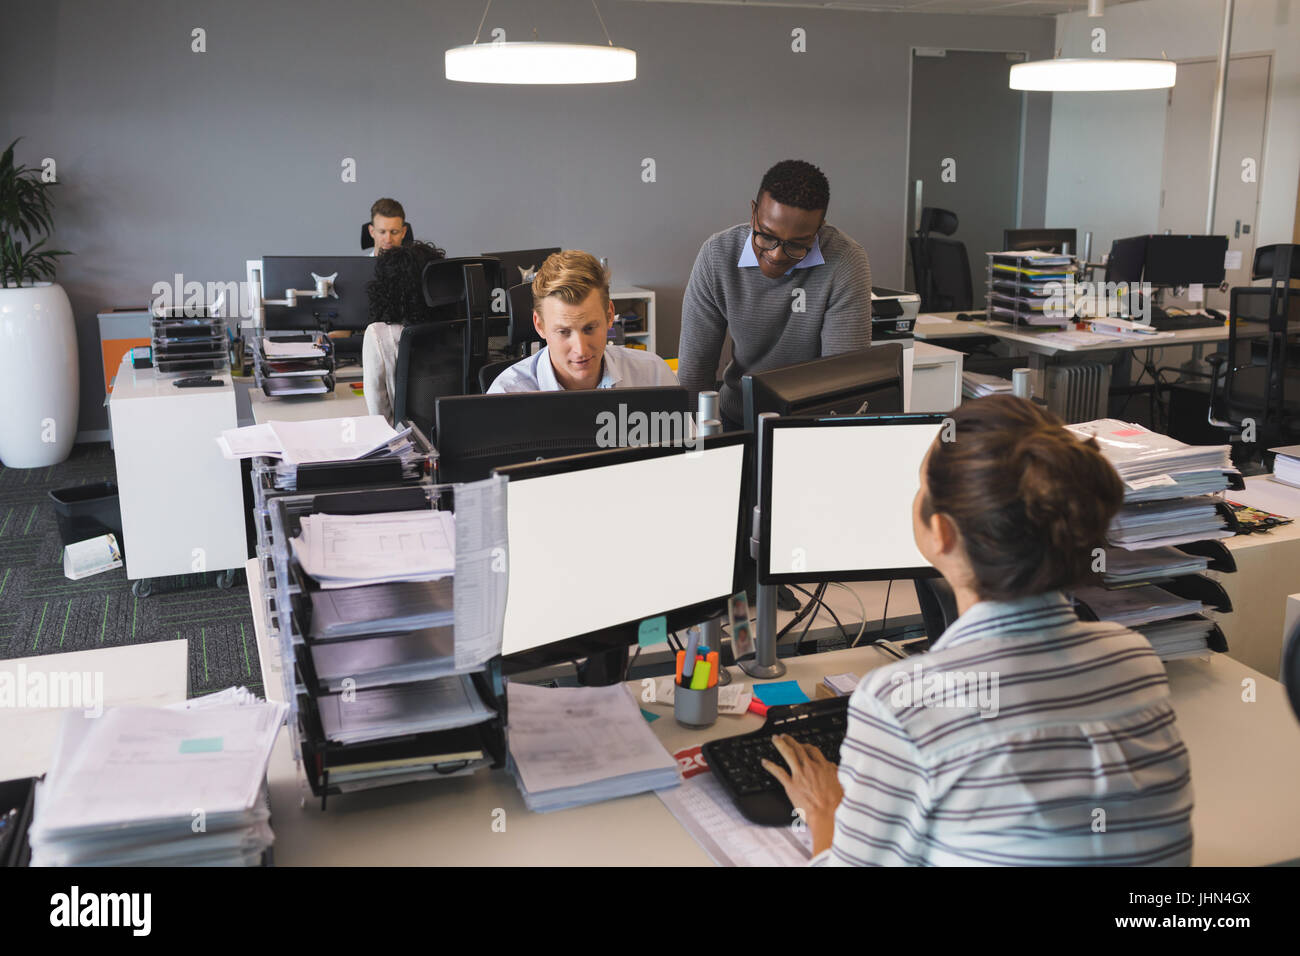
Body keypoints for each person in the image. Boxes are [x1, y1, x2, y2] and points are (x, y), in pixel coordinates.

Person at [763, 395, 1194, 866]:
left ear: (941, 532)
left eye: (919, 486)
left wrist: (824, 810)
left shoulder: (903, 703)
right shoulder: (1133, 659)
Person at [678, 159, 872, 429]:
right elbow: (694, 373)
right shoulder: (717, 256)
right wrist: (694, 446)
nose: (776, 255)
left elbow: (844, 383)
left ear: (818, 229)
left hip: (811, 425)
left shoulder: (845, 261)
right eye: (767, 236)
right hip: (736, 417)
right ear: (753, 212)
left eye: (797, 244)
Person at [488, 250, 678, 393]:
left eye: (590, 328)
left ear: (610, 314)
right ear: (540, 325)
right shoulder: (507, 395)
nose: (580, 349)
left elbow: (690, 446)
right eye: (563, 332)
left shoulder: (653, 376)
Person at [362, 240, 447, 422]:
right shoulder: (461, 328)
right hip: (459, 439)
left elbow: (379, 418)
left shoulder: (379, 334)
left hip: (407, 445)